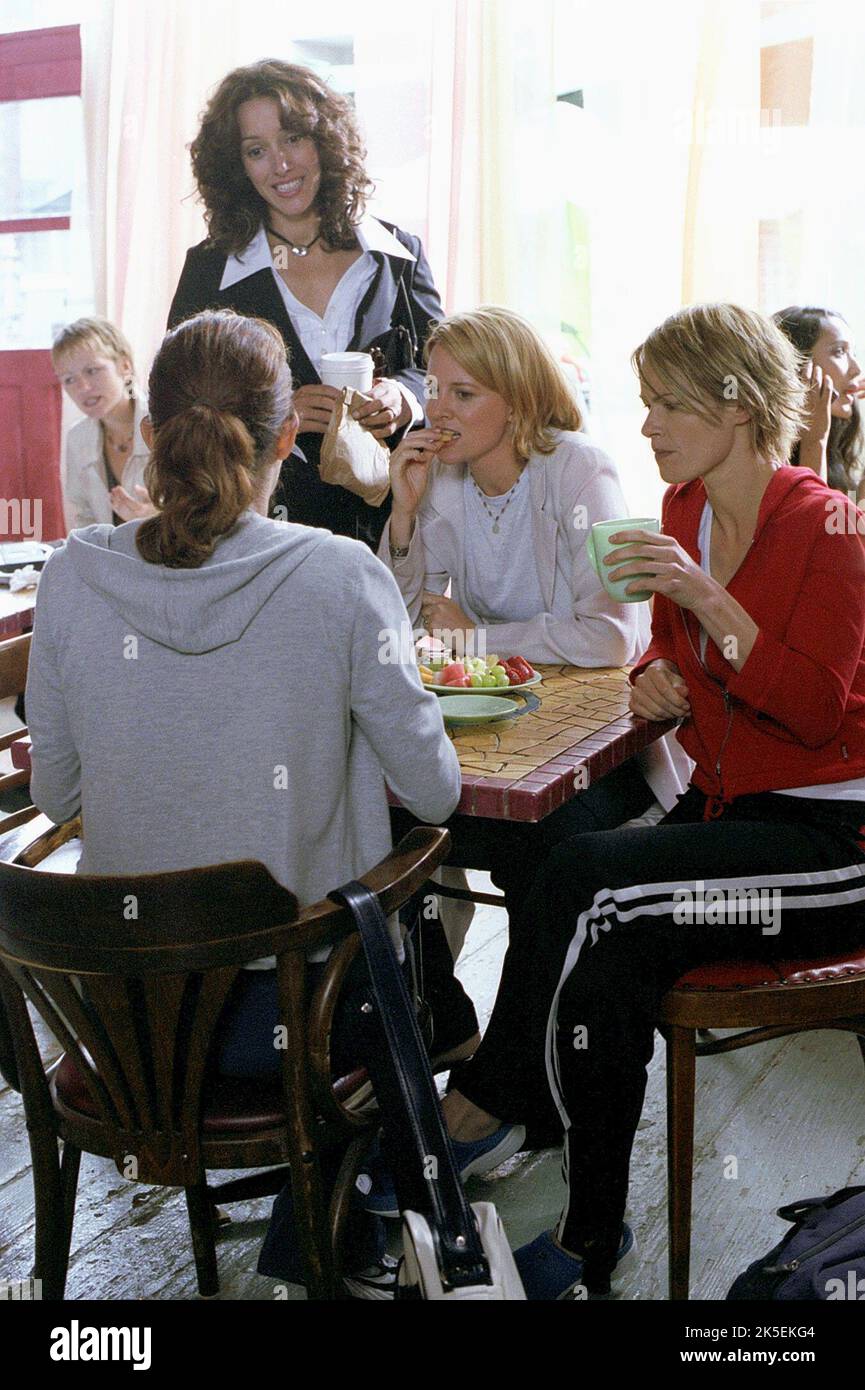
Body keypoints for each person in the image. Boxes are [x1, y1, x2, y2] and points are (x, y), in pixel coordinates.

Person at [372, 303, 865, 1298]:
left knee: (583, 870)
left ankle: (483, 1100)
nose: (645, 426)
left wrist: (705, 601)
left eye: (669, 404)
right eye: (645, 403)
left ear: (736, 406)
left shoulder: (827, 525)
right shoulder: (679, 512)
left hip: (830, 840)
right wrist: (658, 679)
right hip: (729, 815)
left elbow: (817, 713)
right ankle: (593, 1240)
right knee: (602, 969)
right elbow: (664, 660)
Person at [26, 310, 462, 1289]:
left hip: (120, 1026)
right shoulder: (341, 575)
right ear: (285, 441)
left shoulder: (70, 574)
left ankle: (326, 1230)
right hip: (294, 1031)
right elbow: (436, 788)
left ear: (149, 433)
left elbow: (54, 789)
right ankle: (348, 1219)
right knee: (418, 950)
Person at [368, 306, 690, 1170]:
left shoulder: (584, 471)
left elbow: (614, 636)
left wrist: (480, 630)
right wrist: (400, 518)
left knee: (547, 856)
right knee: (389, 831)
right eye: (432, 387)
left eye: (461, 392)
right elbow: (404, 636)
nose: (435, 408)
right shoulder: (439, 478)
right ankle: (441, 1041)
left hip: (610, 744)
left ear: (516, 401)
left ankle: (500, 1097)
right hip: (494, 740)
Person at [168, 59, 444, 549]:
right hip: (262, 538)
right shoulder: (210, 272)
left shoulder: (398, 256)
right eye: (257, 150)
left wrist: (406, 398)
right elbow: (181, 406)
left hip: (396, 524)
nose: (281, 165)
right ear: (237, 167)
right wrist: (272, 410)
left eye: (293, 138)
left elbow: (441, 372)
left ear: (325, 141)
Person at [52, 317, 155, 528]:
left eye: (92, 371)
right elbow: (84, 519)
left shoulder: (167, 424)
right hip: (111, 559)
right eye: (69, 379)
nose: (82, 387)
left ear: (125, 366)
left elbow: (205, 511)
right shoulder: (78, 437)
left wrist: (158, 517)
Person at [774, 305, 864, 495]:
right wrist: (814, 441)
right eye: (839, 352)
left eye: (852, 353)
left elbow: (855, 520)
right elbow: (813, 519)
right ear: (798, 367)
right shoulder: (766, 459)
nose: (856, 369)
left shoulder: (836, 449)